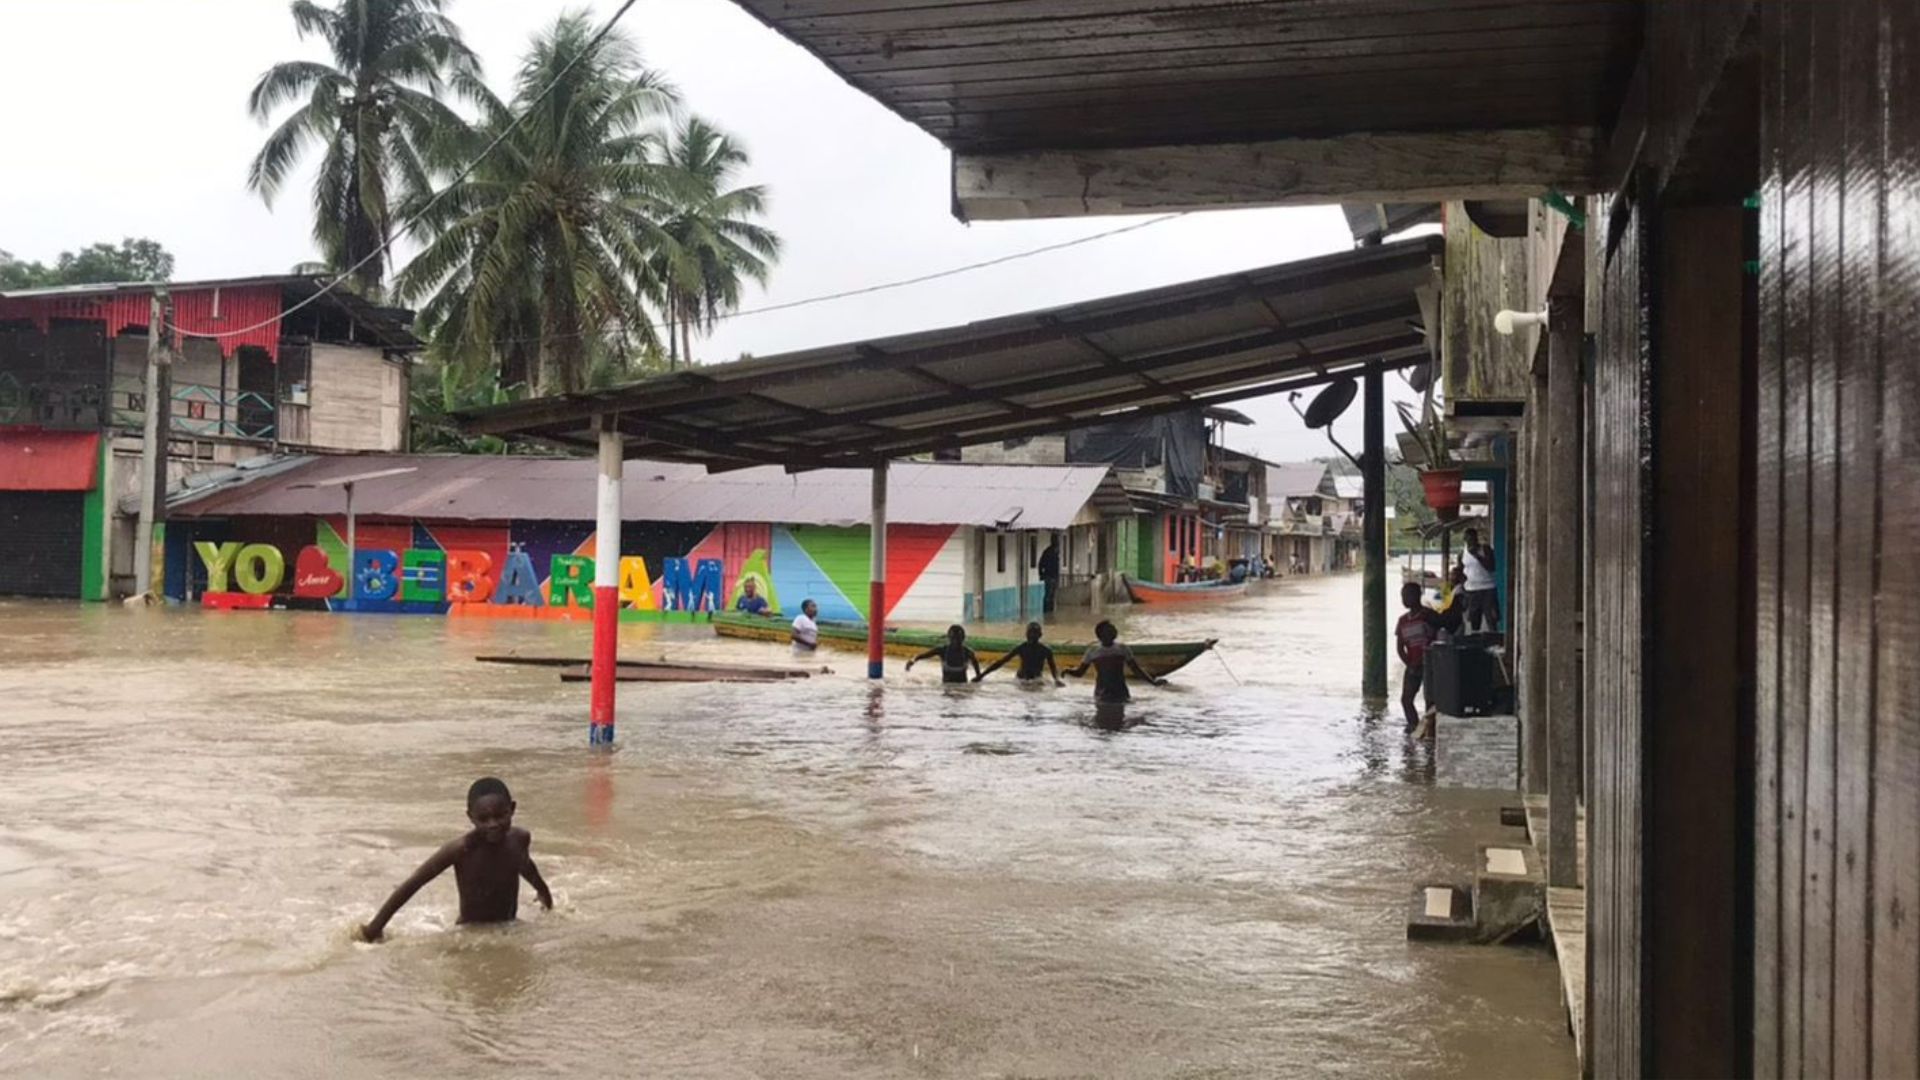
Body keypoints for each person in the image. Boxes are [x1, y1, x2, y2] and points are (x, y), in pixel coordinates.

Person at [359, 777, 552, 942]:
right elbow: (415, 883)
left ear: (512, 809)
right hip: (470, 934)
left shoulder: (519, 838)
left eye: (500, 816)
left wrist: (544, 894)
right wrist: (374, 928)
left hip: (510, 927)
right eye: (483, 819)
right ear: (470, 817)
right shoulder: (461, 850)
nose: (493, 824)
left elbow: (525, 865)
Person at [1064, 620, 1166, 715]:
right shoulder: (1092, 651)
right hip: (1102, 694)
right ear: (1101, 635)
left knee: (1118, 722)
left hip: (1121, 692)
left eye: (1114, 629)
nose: (1114, 631)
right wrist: (1068, 671)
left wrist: (1153, 682)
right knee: (1103, 719)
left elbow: (1136, 669)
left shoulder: (1122, 648)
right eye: (1110, 629)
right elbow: (1080, 672)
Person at [1396, 581, 1452, 738]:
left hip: (1430, 664)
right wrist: (1409, 663)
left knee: (1431, 700)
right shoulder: (1402, 621)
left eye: (1407, 595)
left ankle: (1431, 732)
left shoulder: (1428, 615)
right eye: (1403, 596)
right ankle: (1413, 727)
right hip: (1412, 665)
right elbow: (1400, 647)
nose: (1404, 599)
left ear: (1417, 596)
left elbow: (1441, 634)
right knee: (1406, 700)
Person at [976, 621, 1065, 686]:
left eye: (1034, 633)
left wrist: (1057, 680)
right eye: (1030, 633)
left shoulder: (1046, 650)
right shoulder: (1022, 648)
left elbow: (1053, 669)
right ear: (1026, 634)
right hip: (1021, 680)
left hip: (1037, 680)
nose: (1032, 636)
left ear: (1040, 635)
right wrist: (982, 675)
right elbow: (1001, 662)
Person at [906, 624, 982, 684]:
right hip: (946, 687)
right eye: (953, 639)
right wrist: (912, 661)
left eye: (958, 639)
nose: (955, 642)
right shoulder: (942, 650)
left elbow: (978, 676)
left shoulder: (968, 653)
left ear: (963, 638)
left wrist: (977, 680)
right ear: (949, 638)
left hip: (962, 688)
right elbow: (922, 656)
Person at [1460, 528, 1500, 633]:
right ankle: (1475, 641)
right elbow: (1460, 571)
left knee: (1491, 618)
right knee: (1474, 620)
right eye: (1467, 539)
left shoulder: (1485, 549)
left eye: (1472, 539)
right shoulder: (1462, 553)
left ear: (1476, 538)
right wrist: (1463, 587)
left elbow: (1491, 567)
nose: (1470, 542)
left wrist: (1477, 555)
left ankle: (1494, 638)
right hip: (1472, 590)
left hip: (1488, 588)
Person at [1038, 539, 1060, 614]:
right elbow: (1041, 564)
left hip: (1052, 577)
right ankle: (1047, 613)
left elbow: (1041, 563)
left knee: (1051, 596)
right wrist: (1041, 574)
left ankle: (1050, 613)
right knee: (1048, 596)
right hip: (1049, 577)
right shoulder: (1048, 552)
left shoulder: (1054, 552)